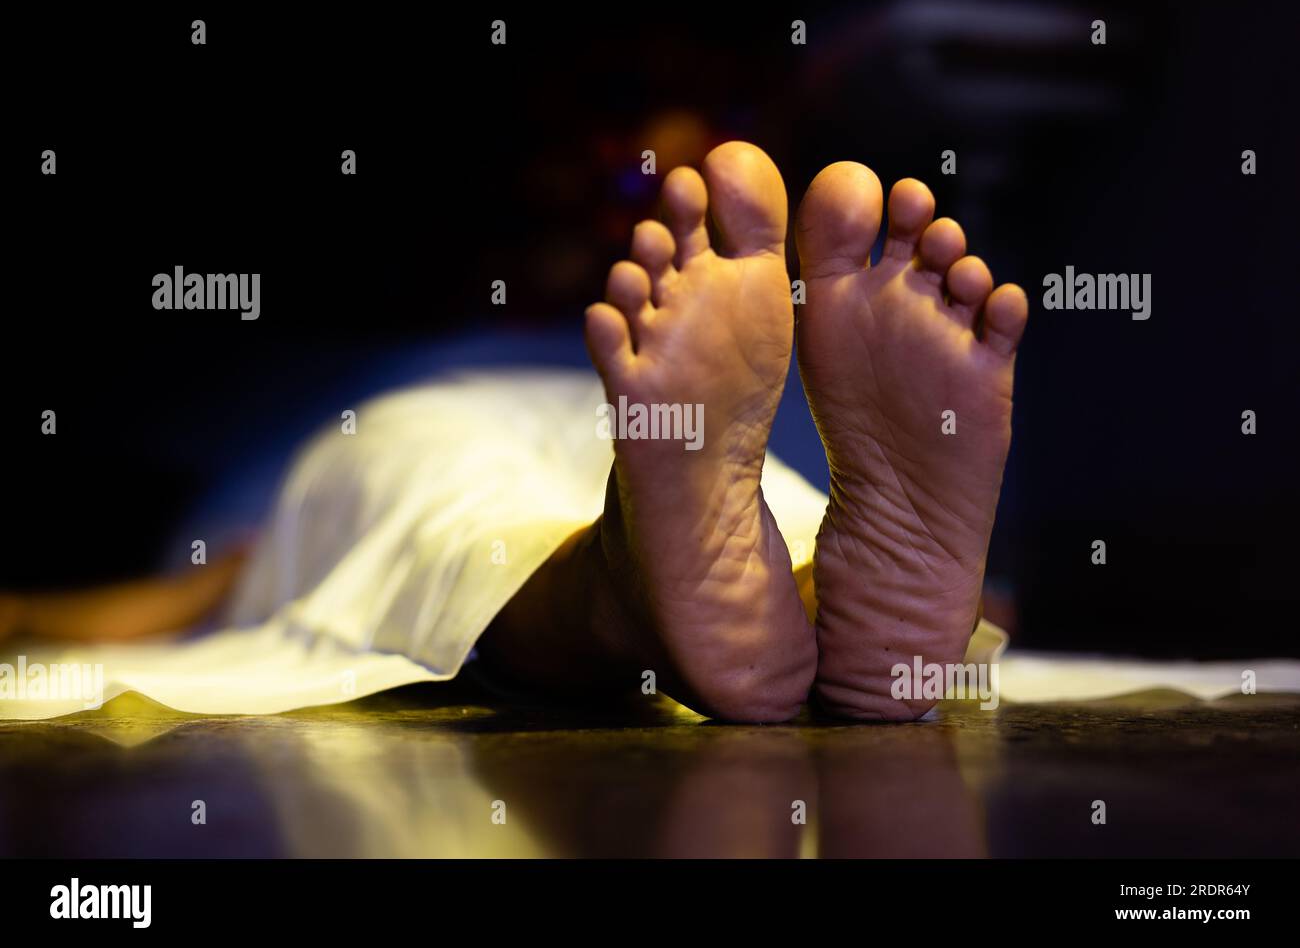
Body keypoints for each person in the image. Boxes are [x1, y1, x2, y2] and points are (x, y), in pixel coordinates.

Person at [0, 142, 1028, 723]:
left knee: (438, 522)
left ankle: (630, 591)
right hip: (700, 451)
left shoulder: (363, 382)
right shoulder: (720, 352)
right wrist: (983, 606)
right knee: (777, 511)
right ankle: (799, 589)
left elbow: (200, 584)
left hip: (455, 439)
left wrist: (29, 614)